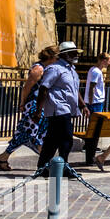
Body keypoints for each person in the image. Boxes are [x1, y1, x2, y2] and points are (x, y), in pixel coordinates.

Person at [0, 45, 57, 171]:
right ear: (51, 57)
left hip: (41, 104)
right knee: (31, 133)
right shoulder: (38, 69)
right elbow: (27, 87)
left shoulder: (48, 68)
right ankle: (47, 161)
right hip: (33, 105)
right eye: (57, 57)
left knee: (29, 132)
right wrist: (22, 103)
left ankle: (3, 157)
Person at [35, 41, 89, 175]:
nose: (76, 55)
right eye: (73, 53)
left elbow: (74, 90)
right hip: (57, 108)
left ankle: (43, 167)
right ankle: (63, 167)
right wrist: (38, 110)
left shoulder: (71, 70)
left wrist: (83, 105)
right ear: (65, 55)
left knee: (52, 140)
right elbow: (44, 88)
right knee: (66, 138)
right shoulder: (55, 69)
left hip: (67, 108)